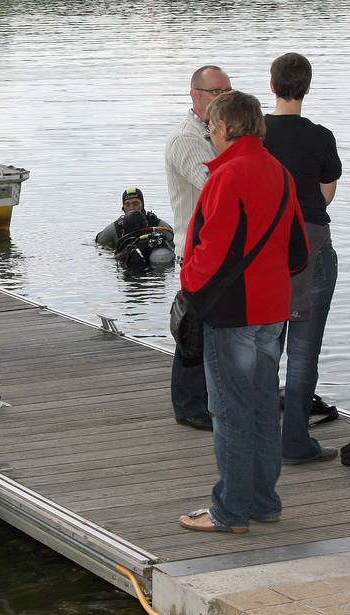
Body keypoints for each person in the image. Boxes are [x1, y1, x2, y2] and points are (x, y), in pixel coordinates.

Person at [177, 91, 308, 534]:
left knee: (230, 412)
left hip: (233, 311)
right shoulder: (280, 172)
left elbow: (210, 249)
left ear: (227, 127)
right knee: (261, 407)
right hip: (273, 308)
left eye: (212, 127)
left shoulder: (227, 175)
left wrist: (188, 284)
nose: (211, 136)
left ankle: (230, 511)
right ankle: (263, 501)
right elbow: (298, 249)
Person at [264, 53, 343, 465]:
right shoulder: (320, 136)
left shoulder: (254, 132)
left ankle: (258, 438)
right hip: (312, 245)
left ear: (272, 85)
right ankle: (294, 442)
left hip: (266, 252)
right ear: (307, 88)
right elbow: (326, 193)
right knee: (304, 353)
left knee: (264, 348)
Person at [164, 65, 232, 432]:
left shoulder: (219, 133)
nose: (225, 99)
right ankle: (189, 405)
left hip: (214, 246)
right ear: (196, 95)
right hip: (194, 247)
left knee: (210, 324)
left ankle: (208, 396)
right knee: (193, 326)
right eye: (216, 92)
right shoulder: (187, 139)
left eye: (228, 91)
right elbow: (214, 188)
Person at [94, 187, 175, 268]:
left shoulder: (157, 225)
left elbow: (178, 243)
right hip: (126, 266)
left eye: (135, 203)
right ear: (123, 208)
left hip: (153, 268)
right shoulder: (116, 228)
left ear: (142, 205)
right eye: (127, 204)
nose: (132, 208)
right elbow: (98, 244)